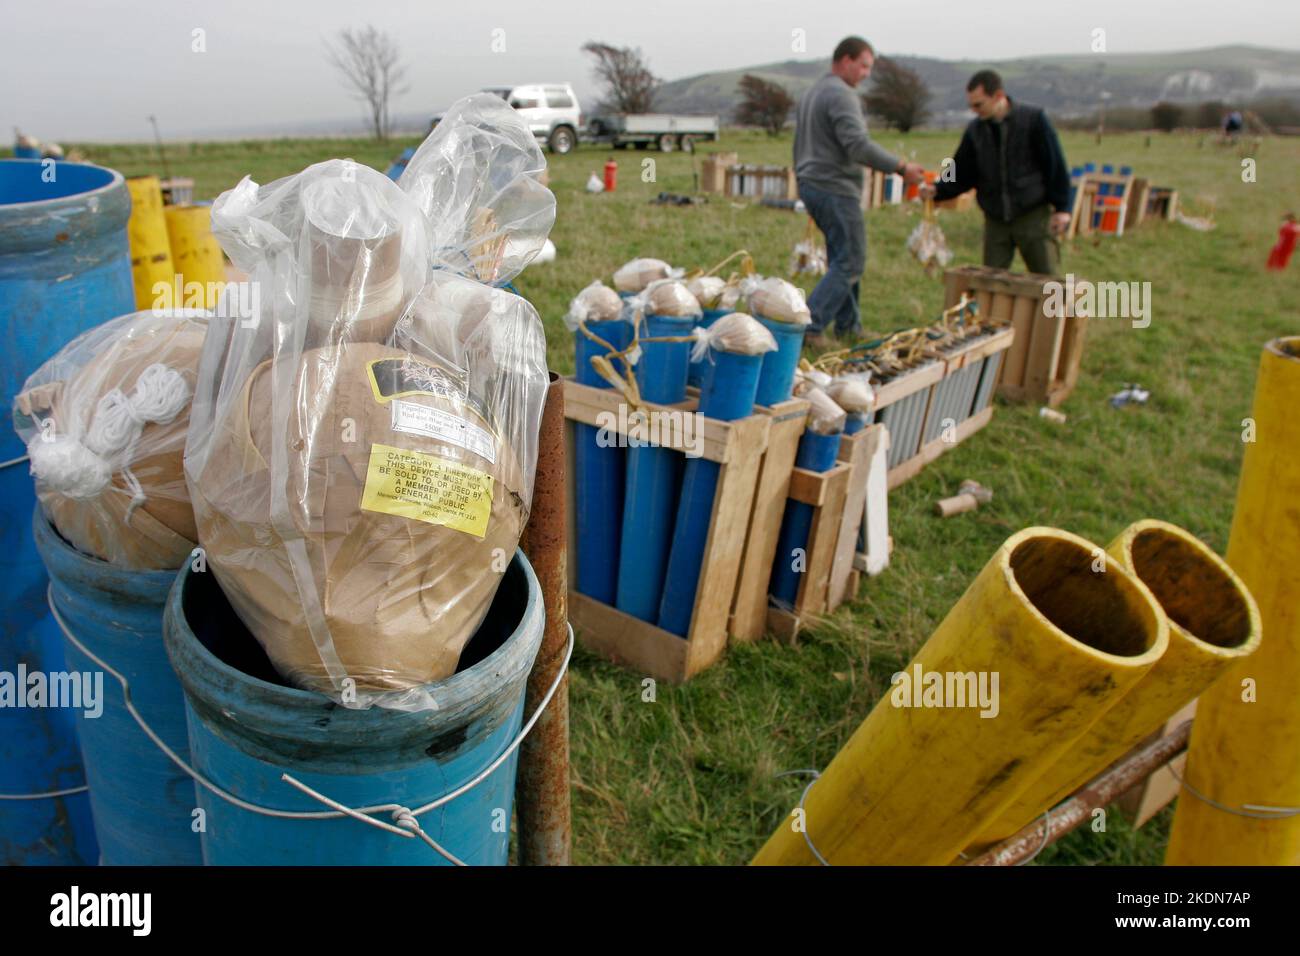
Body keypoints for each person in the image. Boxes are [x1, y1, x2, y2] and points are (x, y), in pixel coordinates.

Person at [794, 36, 924, 344]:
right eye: (864, 66)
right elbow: (858, 145)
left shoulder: (814, 92)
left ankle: (848, 326)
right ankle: (811, 325)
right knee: (851, 259)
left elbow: (799, 143)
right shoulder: (841, 95)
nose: (866, 74)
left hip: (812, 183)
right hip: (835, 187)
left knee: (841, 256)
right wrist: (902, 167)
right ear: (845, 60)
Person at [922, 70, 1071, 277]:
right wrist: (937, 190)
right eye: (971, 105)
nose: (975, 111)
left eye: (979, 104)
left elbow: (1055, 165)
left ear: (998, 96)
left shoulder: (1034, 120)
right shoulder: (975, 131)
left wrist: (1063, 207)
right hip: (996, 220)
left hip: (1033, 216)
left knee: (1047, 282)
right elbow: (960, 170)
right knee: (990, 282)